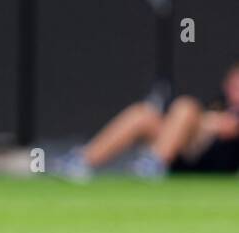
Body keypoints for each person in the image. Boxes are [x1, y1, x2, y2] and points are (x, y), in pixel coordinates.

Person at [57, 64, 239, 180]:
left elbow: (228, 128)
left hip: (215, 164)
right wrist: (207, 123)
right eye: (232, 82)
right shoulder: (218, 103)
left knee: (186, 107)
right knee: (143, 114)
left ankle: (152, 164)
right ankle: (82, 161)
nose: (233, 88)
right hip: (181, 156)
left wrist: (209, 124)